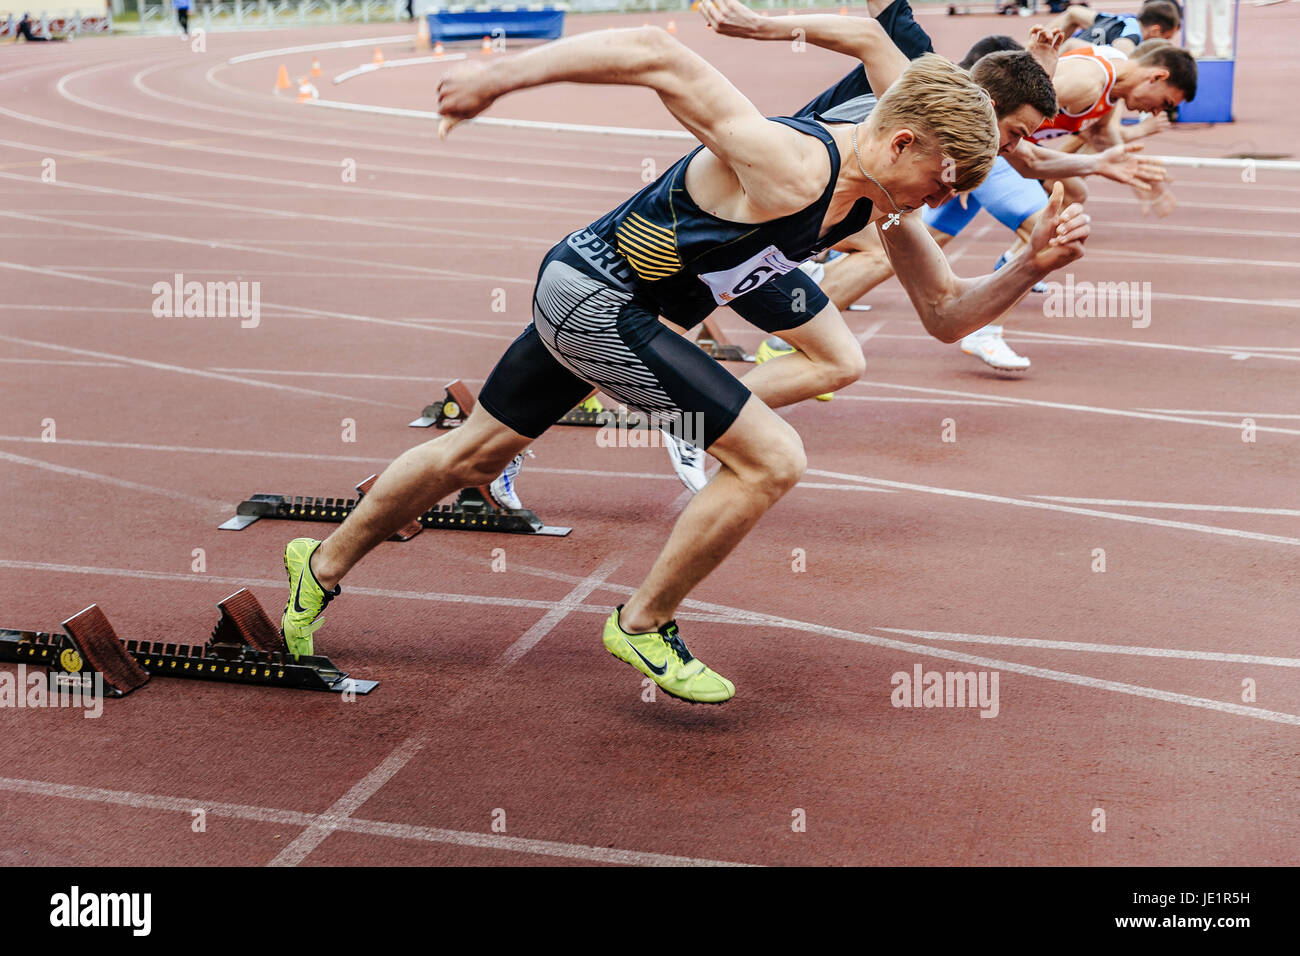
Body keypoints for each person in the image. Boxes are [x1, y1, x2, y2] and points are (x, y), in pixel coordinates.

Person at [280, 26, 1089, 704]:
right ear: (904, 139)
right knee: (772, 459)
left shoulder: (881, 199)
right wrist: (498, 76)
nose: (932, 203)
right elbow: (656, 56)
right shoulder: (797, 164)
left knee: (475, 453)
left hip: (613, 303)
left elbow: (946, 316)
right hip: (592, 295)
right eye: (937, 183)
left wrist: (1028, 268)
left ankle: (319, 564)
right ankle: (641, 624)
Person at [692, 0, 1175, 382]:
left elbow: (1029, 161)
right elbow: (868, 33)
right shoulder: (915, 71)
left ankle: (706, 407)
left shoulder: (960, 164)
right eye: (1013, 133)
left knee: (845, 349)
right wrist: (758, 25)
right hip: (762, 196)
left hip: (788, 234)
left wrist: (1098, 163)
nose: (1010, 147)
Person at [1050, 1, 1183, 55]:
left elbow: (1073, 12)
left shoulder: (1121, 19)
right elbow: (1122, 53)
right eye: (1166, 38)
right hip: (1071, 67)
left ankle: (1034, 54)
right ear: (1155, 30)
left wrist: (1047, 38)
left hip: (1064, 54)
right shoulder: (1132, 38)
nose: (1165, 43)